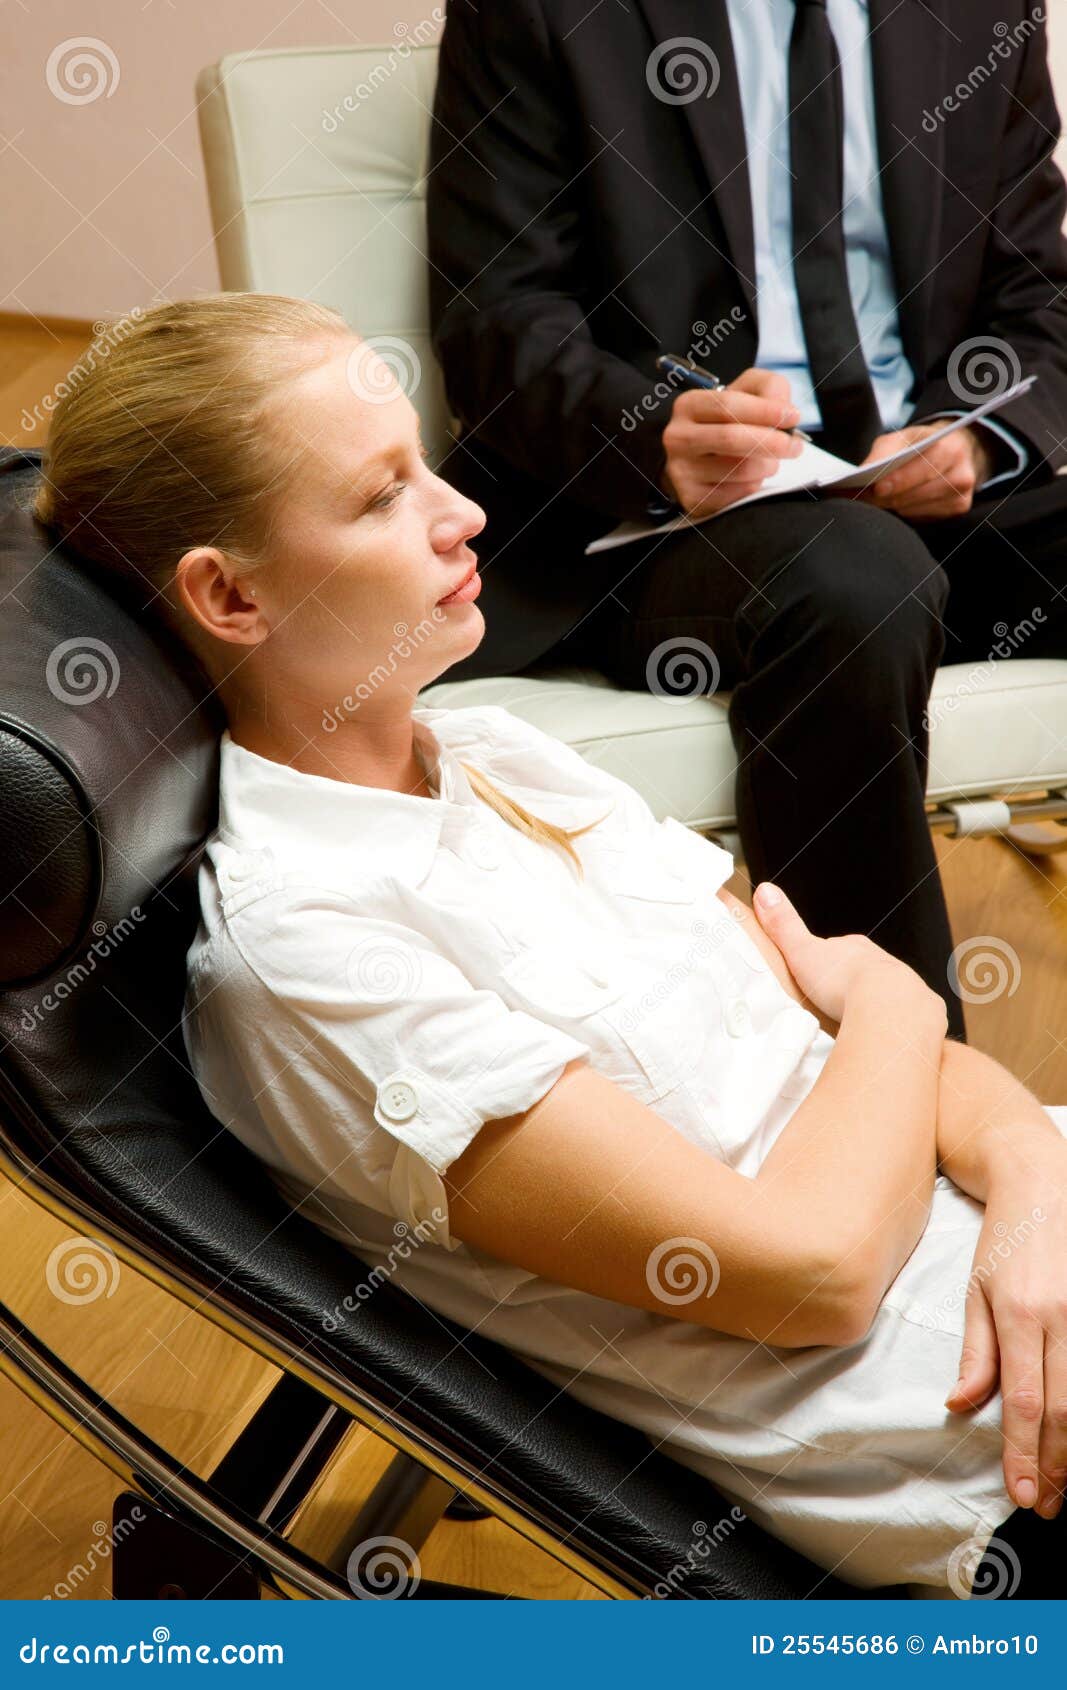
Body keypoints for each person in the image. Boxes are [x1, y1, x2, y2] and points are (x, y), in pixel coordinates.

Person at [31, 294, 1067, 1598]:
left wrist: (1024, 1177)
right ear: (229, 593)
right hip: (998, 1445)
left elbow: (861, 1052)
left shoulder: (494, 754)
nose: (459, 511)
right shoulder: (311, 952)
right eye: (379, 496)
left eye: (424, 462)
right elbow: (813, 1272)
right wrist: (903, 1014)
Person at [426, 0, 1067, 1044]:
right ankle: (891, 1088)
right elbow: (495, 322)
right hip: (660, 515)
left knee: (877, 564)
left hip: (919, 478)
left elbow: (1036, 293)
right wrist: (652, 437)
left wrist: (972, 436)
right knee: (858, 583)